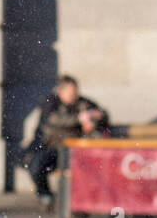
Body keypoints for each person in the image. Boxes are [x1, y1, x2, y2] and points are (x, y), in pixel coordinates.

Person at [26, 75, 108, 209]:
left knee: (87, 169)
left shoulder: (83, 103)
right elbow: (53, 119)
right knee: (36, 166)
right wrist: (79, 118)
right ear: (60, 92)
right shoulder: (50, 102)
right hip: (52, 147)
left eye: (75, 92)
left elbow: (103, 114)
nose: (74, 96)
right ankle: (45, 196)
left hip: (75, 150)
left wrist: (95, 116)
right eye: (70, 93)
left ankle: (81, 204)